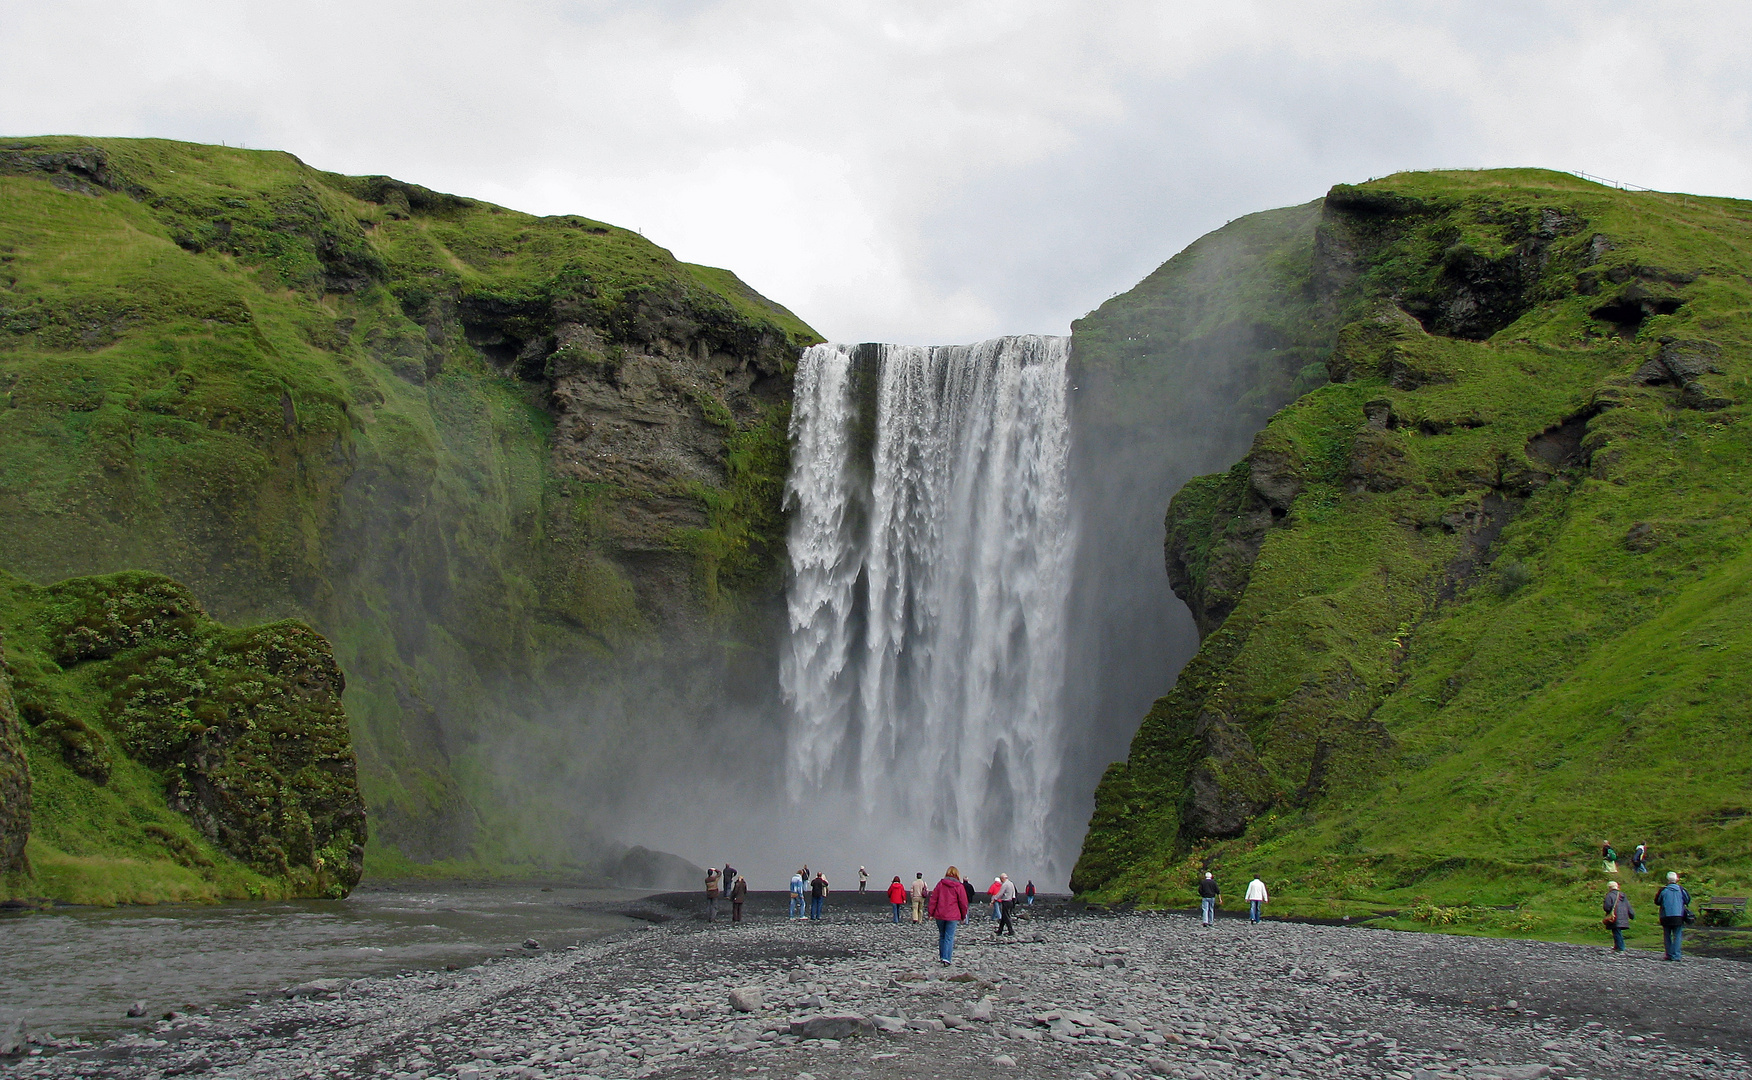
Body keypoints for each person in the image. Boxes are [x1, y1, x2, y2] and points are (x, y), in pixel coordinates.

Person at [928, 866, 970, 965]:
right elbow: (963, 903)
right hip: (953, 916)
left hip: (940, 914)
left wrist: (931, 913)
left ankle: (942, 957)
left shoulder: (940, 884)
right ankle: (947, 958)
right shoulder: (959, 886)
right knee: (949, 937)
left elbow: (933, 899)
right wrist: (963, 916)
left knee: (942, 936)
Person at [1655, 871, 1691, 962]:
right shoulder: (1681, 889)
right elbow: (1687, 900)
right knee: (1677, 935)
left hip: (1666, 915)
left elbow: (1657, 901)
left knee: (1667, 935)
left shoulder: (1663, 890)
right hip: (1678, 915)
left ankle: (1669, 954)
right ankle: (1676, 955)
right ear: (1677, 879)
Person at [1602, 880, 1633, 952]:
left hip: (1614, 916)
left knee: (1616, 931)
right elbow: (1628, 906)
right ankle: (1617, 946)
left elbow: (1607, 907)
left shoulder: (1609, 895)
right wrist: (1631, 915)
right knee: (1617, 931)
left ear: (1609, 888)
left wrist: (1607, 912)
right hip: (1623, 916)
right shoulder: (1623, 895)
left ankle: (1620, 947)